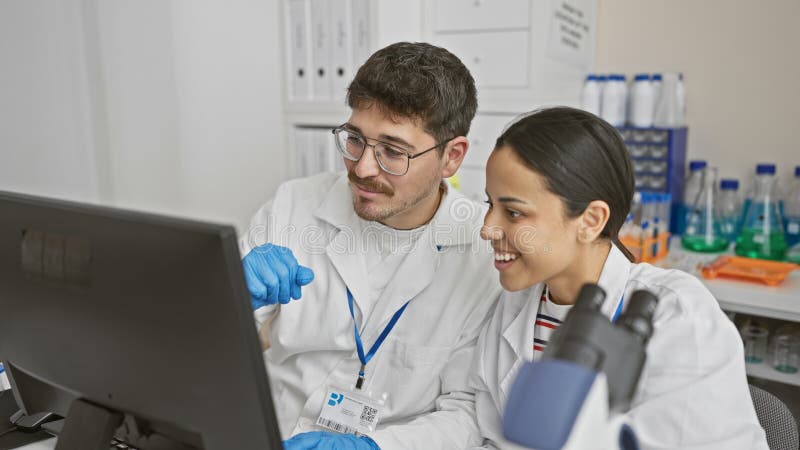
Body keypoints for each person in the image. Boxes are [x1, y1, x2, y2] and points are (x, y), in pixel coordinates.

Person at [239, 42, 502, 450]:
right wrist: (232, 296)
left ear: (452, 157)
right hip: (273, 435)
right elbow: (207, 346)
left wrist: (377, 448)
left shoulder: (484, 254)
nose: (362, 168)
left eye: (393, 152)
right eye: (355, 139)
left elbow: (467, 412)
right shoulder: (294, 205)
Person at [470, 107, 768, 449]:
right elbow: (491, 435)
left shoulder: (680, 317)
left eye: (513, 212)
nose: (487, 228)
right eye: (489, 204)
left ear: (591, 220)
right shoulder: (514, 304)